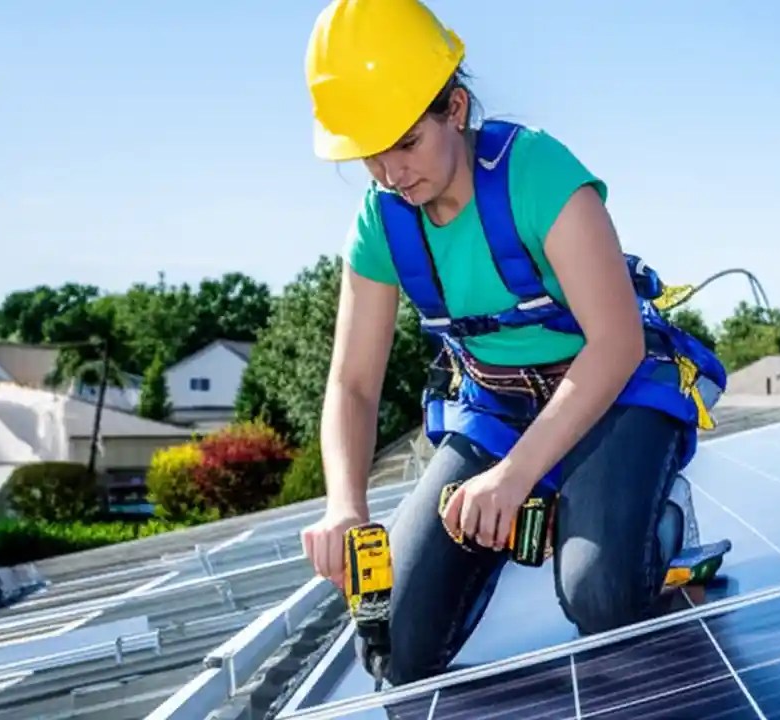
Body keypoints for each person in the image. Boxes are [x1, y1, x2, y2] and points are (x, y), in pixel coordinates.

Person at [299, 0, 728, 687]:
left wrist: (516, 477)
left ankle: (657, 522)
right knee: (395, 649)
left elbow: (616, 342)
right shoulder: (381, 225)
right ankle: (569, 501)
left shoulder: (537, 173)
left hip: (614, 391)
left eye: (405, 142)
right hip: (497, 409)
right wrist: (344, 504)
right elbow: (351, 384)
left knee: (601, 594)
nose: (389, 172)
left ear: (456, 108)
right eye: (368, 153)